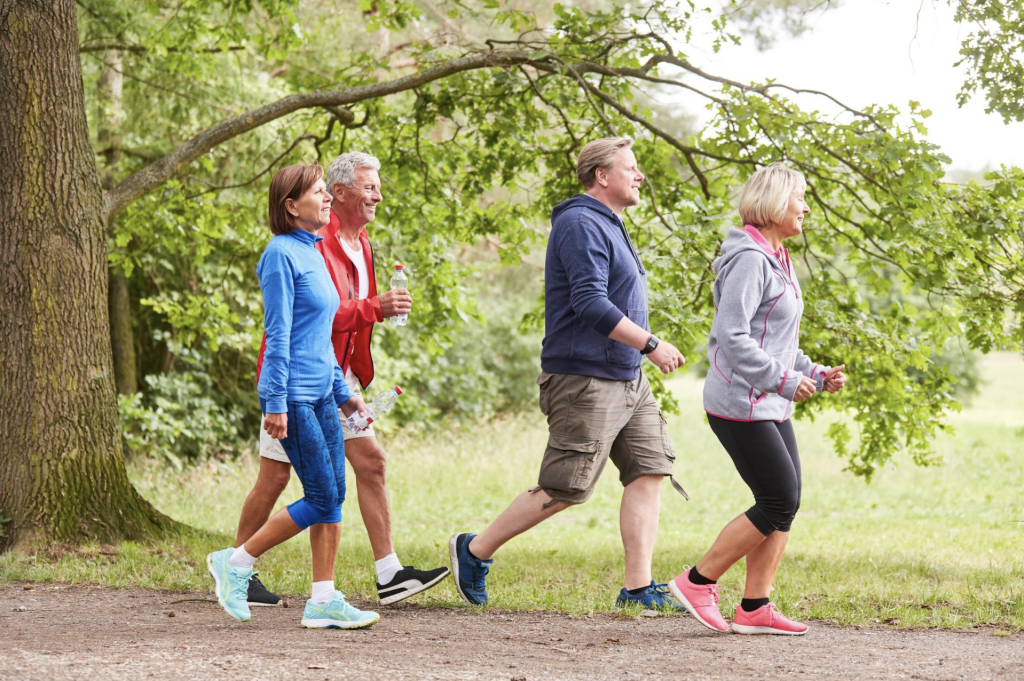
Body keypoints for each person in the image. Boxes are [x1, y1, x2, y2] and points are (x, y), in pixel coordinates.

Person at [449, 137, 690, 611]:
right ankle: (474, 550)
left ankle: (638, 588)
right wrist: (652, 344)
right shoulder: (581, 222)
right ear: (602, 175)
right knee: (566, 488)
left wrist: (640, 351)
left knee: (649, 469)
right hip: (586, 378)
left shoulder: (610, 223)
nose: (640, 176)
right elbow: (589, 302)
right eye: (632, 168)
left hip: (626, 376)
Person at [237, 152, 448, 609]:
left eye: (377, 186)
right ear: (341, 192)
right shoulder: (313, 242)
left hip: (335, 377)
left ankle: (381, 575)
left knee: (368, 464)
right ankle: (238, 567)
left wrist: (348, 384)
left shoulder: (362, 242)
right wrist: (377, 307)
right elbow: (313, 320)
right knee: (277, 478)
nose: (377, 195)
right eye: (368, 187)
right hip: (297, 378)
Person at [667, 163, 847, 635]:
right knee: (777, 499)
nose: (805, 206)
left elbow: (777, 339)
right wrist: (783, 380)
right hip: (739, 402)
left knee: (785, 501)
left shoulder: (778, 257)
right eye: (798, 199)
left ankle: (755, 606)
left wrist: (814, 372)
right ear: (772, 205)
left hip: (767, 401)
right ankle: (698, 581)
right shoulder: (749, 258)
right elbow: (732, 336)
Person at [207, 163, 379, 629]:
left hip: (322, 393)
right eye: (319, 192)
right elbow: (277, 334)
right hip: (296, 398)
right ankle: (236, 563)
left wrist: (344, 394)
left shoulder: (315, 250)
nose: (327, 199)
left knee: (334, 495)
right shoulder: (280, 255)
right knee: (323, 498)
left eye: (327, 191)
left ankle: (323, 600)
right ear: (290, 206)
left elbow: (319, 335)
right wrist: (275, 402)